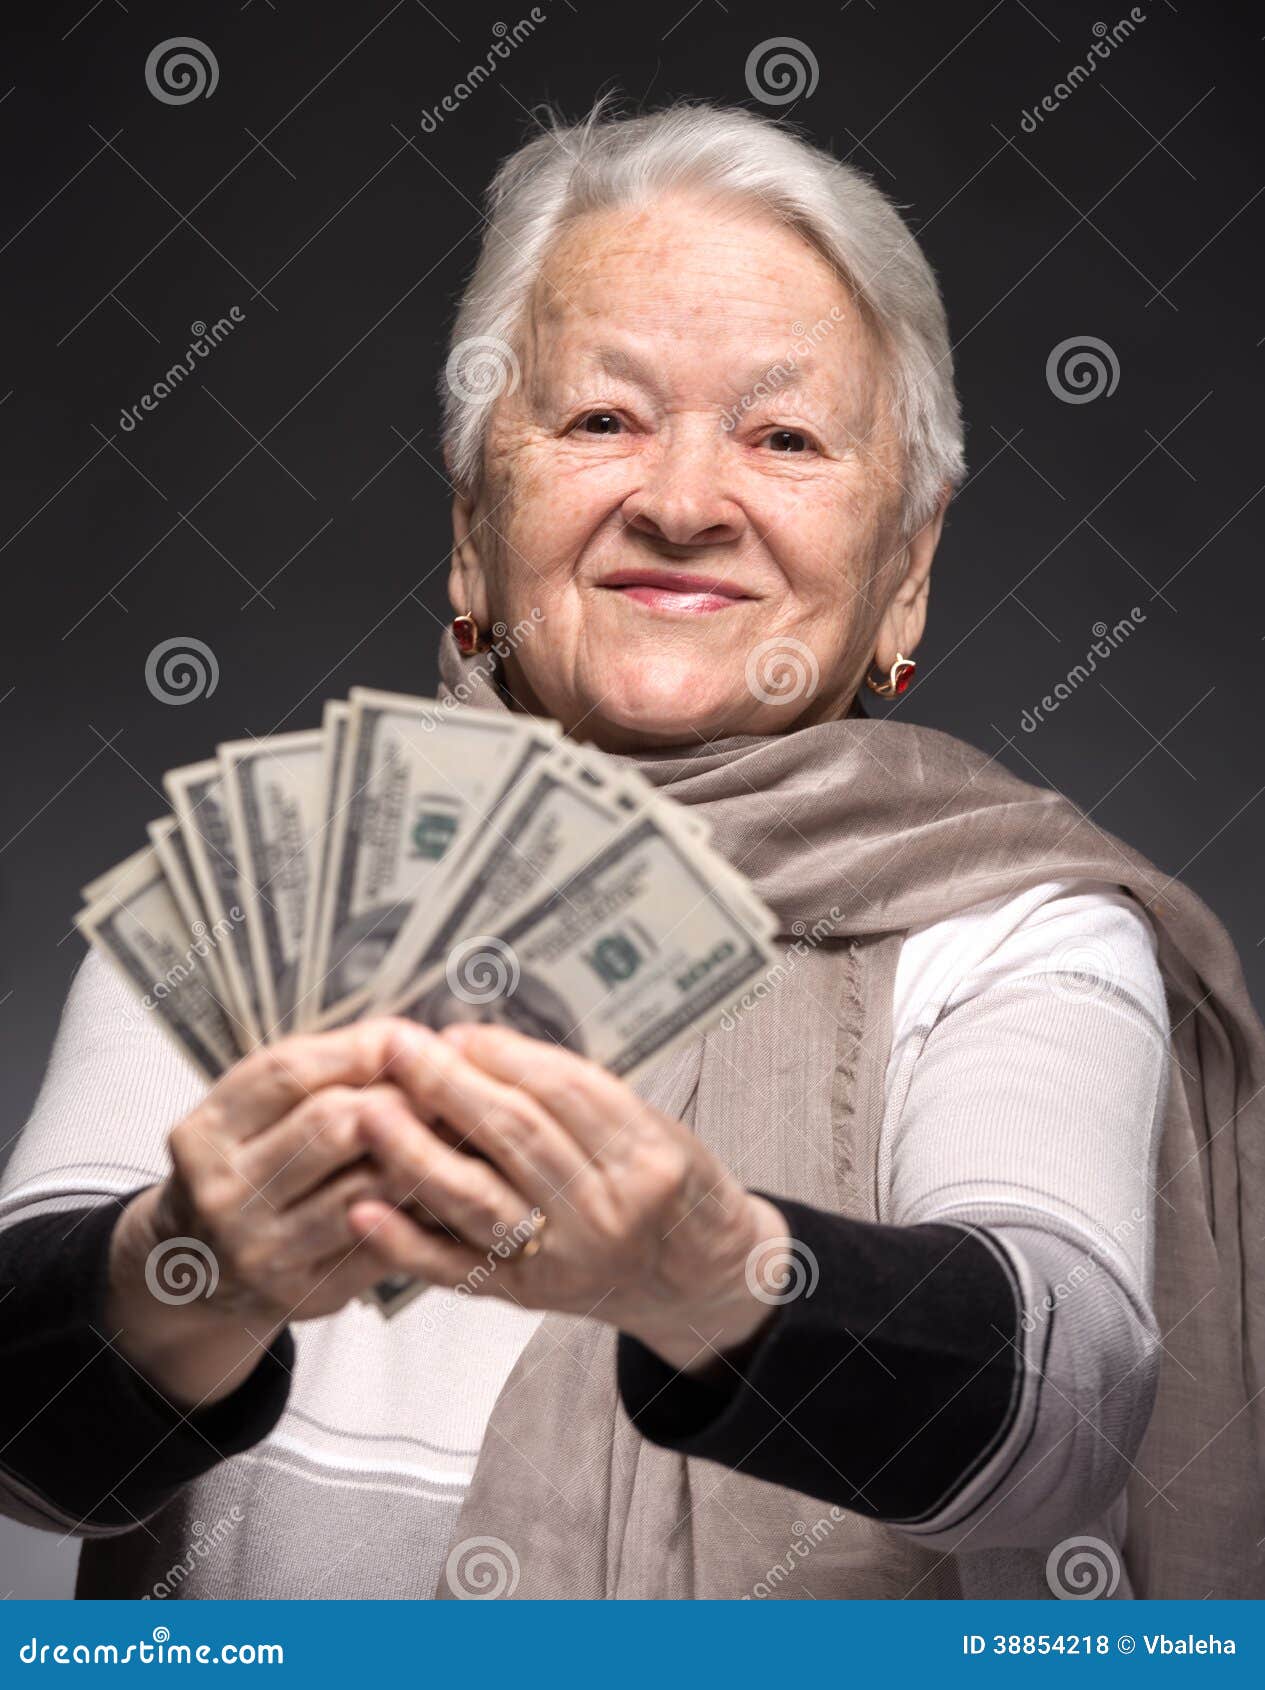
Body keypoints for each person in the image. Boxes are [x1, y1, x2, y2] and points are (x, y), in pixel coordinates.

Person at [3, 101, 1263, 1602]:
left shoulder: (1018, 929)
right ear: (472, 530)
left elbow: (1070, 1415)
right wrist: (187, 1263)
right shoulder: (261, 899)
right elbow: (23, 1441)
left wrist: (708, 1269)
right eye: (601, 420)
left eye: (783, 437)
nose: (678, 502)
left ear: (905, 576)